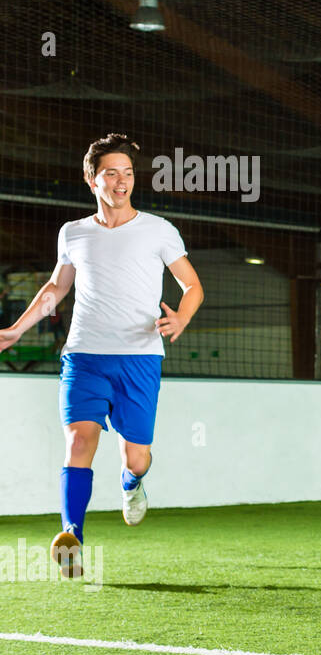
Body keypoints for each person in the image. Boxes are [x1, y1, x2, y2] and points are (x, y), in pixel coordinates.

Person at [0, 134, 204, 578]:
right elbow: (57, 288)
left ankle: (132, 483)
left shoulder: (158, 230)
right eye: (111, 173)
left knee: (136, 458)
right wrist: (17, 329)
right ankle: (72, 536)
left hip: (139, 360)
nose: (121, 181)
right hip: (84, 357)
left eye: (127, 173)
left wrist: (182, 317)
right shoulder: (73, 233)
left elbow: (192, 286)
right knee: (79, 442)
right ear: (92, 179)